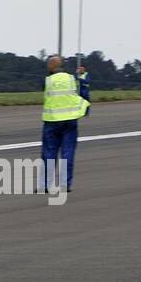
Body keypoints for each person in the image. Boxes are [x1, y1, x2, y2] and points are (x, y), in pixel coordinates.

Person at [40, 57, 89, 193]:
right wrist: (82, 75)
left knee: (49, 153)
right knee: (68, 153)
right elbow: (84, 94)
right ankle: (65, 184)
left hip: (51, 121)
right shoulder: (71, 79)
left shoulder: (48, 81)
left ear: (51, 66)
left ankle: (45, 184)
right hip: (70, 121)